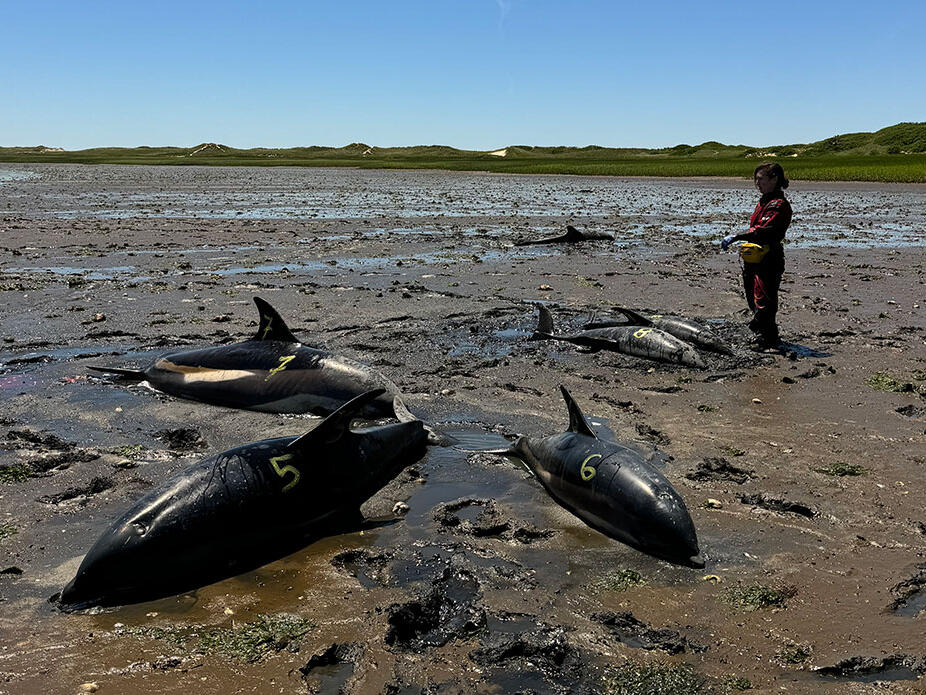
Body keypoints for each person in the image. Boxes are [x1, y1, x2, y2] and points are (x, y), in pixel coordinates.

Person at [721, 162, 792, 349]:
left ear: (774, 179)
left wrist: (737, 236)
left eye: (760, 179)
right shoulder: (763, 201)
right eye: (755, 180)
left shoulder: (778, 204)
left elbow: (763, 231)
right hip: (754, 257)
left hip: (769, 258)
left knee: (764, 299)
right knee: (752, 296)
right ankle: (763, 332)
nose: (757, 184)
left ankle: (767, 337)